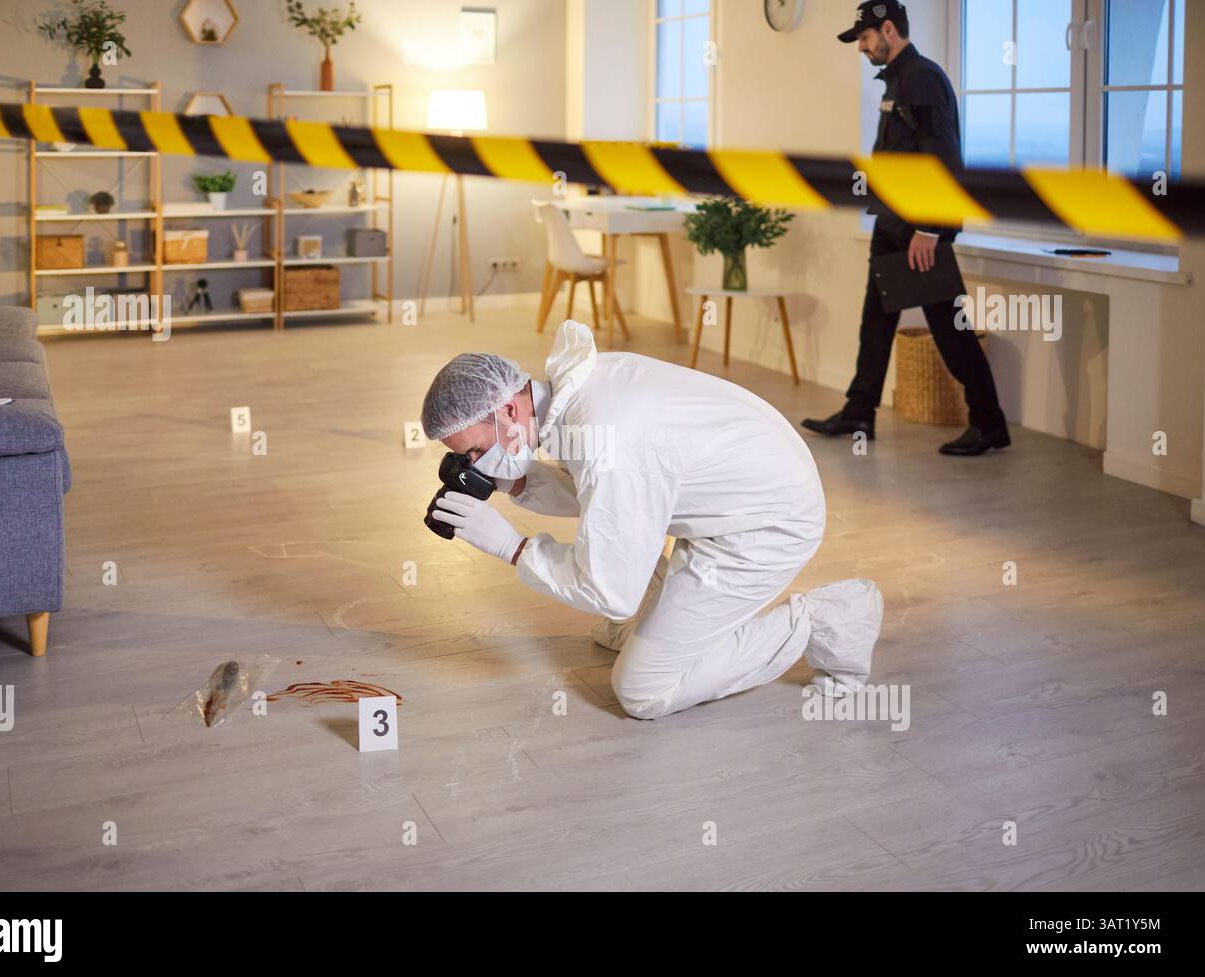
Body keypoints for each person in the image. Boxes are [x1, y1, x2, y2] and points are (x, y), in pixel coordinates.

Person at [421, 319, 884, 721]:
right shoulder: (577, 389)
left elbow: (612, 591)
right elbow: (603, 493)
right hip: (722, 506)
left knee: (643, 690)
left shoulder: (606, 433)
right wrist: (515, 483)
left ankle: (828, 619)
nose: (479, 464)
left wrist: (512, 547)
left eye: (478, 451)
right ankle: (669, 605)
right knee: (618, 634)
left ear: (507, 408)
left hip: (765, 528)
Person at [802, 0, 1011, 456]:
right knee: (874, 322)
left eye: (864, 37)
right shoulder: (896, 80)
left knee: (951, 330)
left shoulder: (922, 79)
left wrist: (931, 229)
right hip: (893, 225)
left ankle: (989, 423)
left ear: (889, 29)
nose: (860, 46)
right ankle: (859, 411)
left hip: (920, 232)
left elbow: (943, 158)